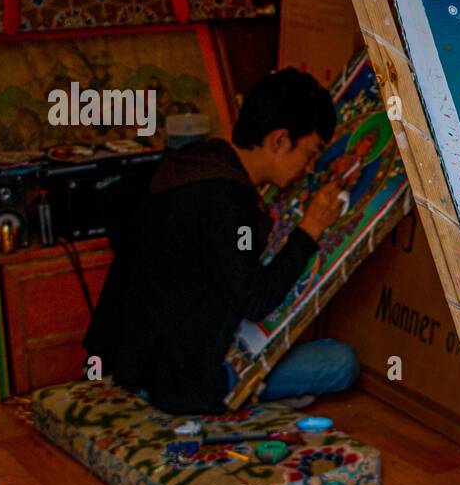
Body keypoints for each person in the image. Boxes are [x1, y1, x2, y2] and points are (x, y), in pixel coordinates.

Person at [85, 68, 359, 415]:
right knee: (340, 362)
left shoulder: (200, 158)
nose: (309, 168)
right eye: (309, 153)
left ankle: (258, 393)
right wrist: (309, 230)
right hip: (180, 381)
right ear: (279, 140)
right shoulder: (227, 201)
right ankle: (247, 394)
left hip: (132, 358)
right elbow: (254, 299)